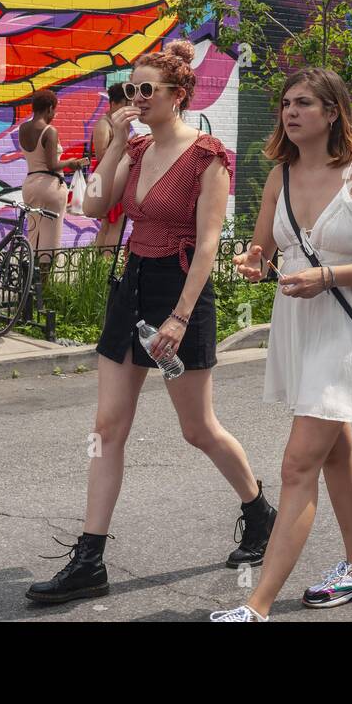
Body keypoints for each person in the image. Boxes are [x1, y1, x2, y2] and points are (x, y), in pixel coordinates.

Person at [25, 40, 276, 604]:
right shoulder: (135, 151)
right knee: (107, 426)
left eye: (146, 90)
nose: (135, 98)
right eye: (131, 89)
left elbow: (209, 244)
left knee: (198, 429)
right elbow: (93, 207)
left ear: (178, 95)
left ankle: (259, 510)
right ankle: (90, 560)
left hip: (179, 291)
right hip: (131, 284)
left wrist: (180, 319)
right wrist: (115, 144)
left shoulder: (207, 156)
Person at [210, 67, 352, 622]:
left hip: (344, 331)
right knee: (336, 452)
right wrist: (254, 263)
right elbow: (263, 250)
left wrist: (327, 278)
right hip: (297, 330)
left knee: (299, 465)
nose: (290, 112)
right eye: (285, 103)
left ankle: (257, 604)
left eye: (303, 103)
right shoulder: (283, 173)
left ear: (332, 113)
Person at [19, 89, 88, 265]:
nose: (55, 114)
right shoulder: (50, 131)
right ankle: (42, 288)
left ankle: (28, 282)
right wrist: (70, 163)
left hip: (30, 185)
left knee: (33, 237)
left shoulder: (23, 128)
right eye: (54, 110)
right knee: (49, 243)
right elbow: (52, 165)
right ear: (49, 108)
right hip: (50, 186)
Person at [91, 83, 129, 254]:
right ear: (113, 103)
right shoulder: (104, 124)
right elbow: (101, 155)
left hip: (112, 176)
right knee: (115, 223)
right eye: (124, 104)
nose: (127, 109)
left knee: (109, 224)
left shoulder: (118, 124)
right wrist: (125, 150)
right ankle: (106, 266)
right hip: (109, 177)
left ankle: (100, 269)